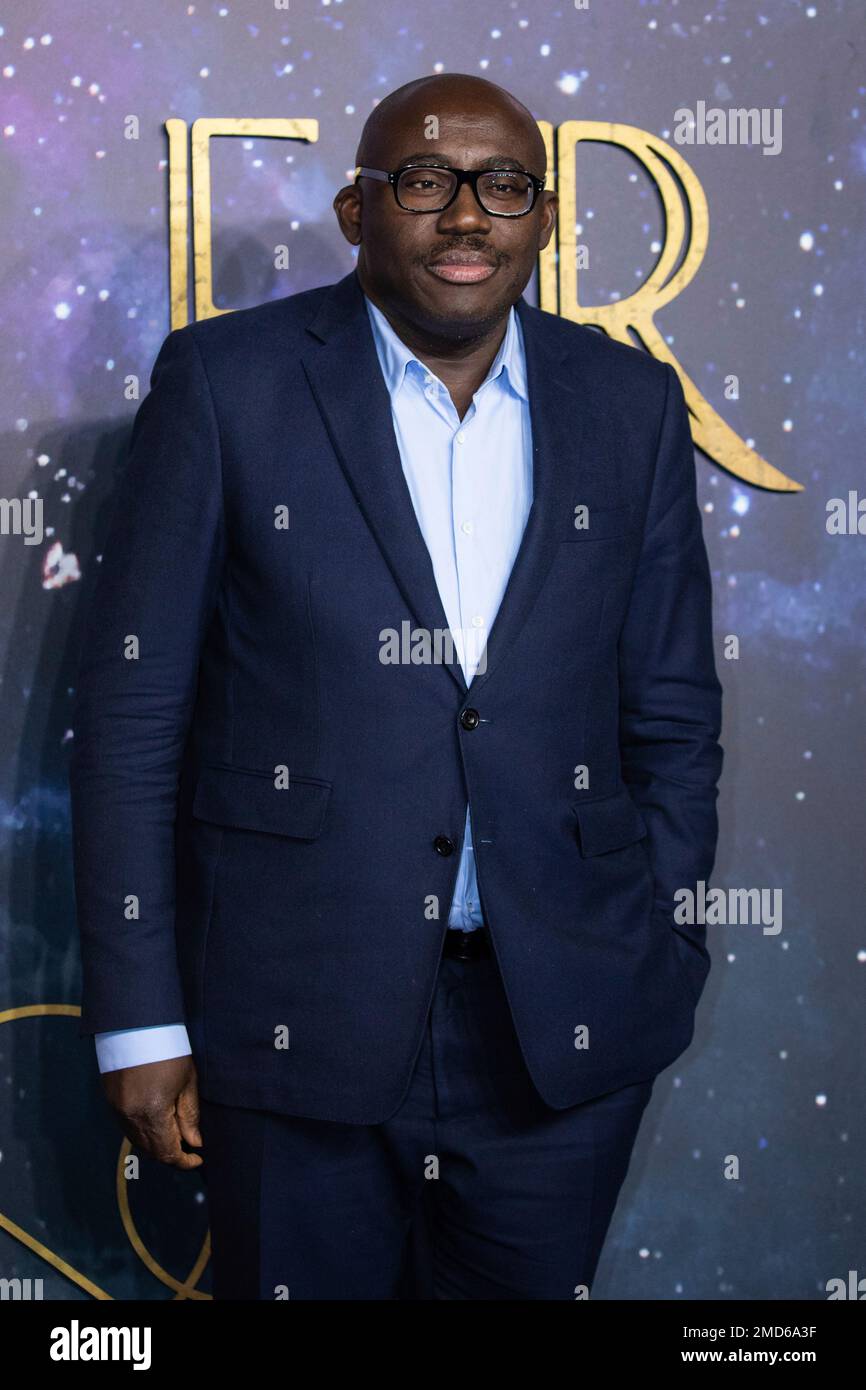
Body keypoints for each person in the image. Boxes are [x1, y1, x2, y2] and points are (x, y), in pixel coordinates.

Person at [69, 72, 724, 1300]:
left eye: (502, 186)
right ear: (354, 211)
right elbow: (130, 720)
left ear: (541, 216)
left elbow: (671, 715)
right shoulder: (227, 384)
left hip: (558, 1031)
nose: (464, 215)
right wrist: (145, 1020)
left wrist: (664, 941)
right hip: (290, 1017)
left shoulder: (627, 405)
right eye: (422, 182)